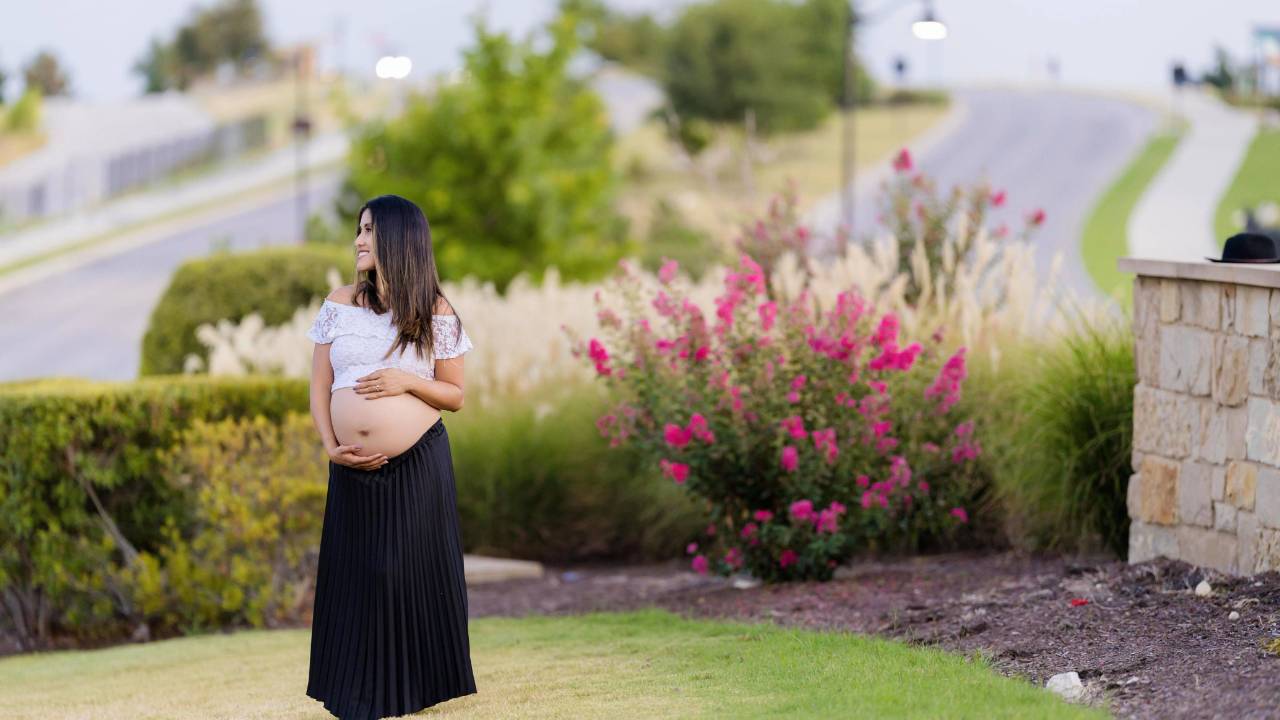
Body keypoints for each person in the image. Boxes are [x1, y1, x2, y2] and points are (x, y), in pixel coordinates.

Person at [304, 194, 478, 719]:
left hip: (417, 462)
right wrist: (331, 448)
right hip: (351, 464)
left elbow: (455, 395)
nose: (358, 239)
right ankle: (356, 696)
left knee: (399, 573)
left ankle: (411, 689)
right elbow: (319, 388)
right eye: (358, 229)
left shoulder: (434, 310)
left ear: (399, 240)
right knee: (357, 575)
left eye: (369, 230)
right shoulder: (337, 303)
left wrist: (406, 379)